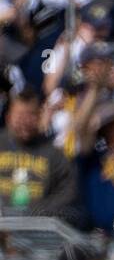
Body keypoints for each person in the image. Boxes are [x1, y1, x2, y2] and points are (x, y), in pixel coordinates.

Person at [0, 87, 80, 224]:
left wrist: (40, 212)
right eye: (20, 116)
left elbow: (68, 191)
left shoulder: (53, 152)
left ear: (39, 116)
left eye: (30, 115)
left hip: (37, 230)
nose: (25, 121)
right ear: (8, 117)